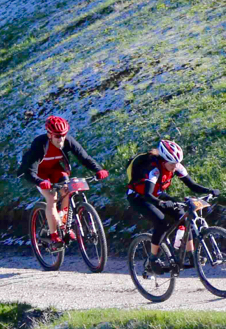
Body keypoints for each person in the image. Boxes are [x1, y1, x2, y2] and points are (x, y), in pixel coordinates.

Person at [127, 138, 215, 270]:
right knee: (161, 222)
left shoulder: (175, 165)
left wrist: (209, 191)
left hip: (156, 194)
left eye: (177, 163)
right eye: (172, 163)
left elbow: (192, 185)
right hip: (138, 197)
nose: (175, 166)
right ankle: (153, 259)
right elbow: (148, 195)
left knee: (183, 216)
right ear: (164, 161)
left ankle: (191, 255)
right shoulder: (154, 170)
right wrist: (161, 203)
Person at [18, 115, 107, 246]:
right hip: (39, 173)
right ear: (49, 135)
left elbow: (84, 157)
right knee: (52, 197)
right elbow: (30, 170)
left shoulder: (68, 141)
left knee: (67, 190)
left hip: (56, 169)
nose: (61, 139)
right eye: (57, 136)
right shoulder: (40, 144)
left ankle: (65, 226)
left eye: (64, 135)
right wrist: (39, 181)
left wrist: (98, 169)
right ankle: (54, 235)